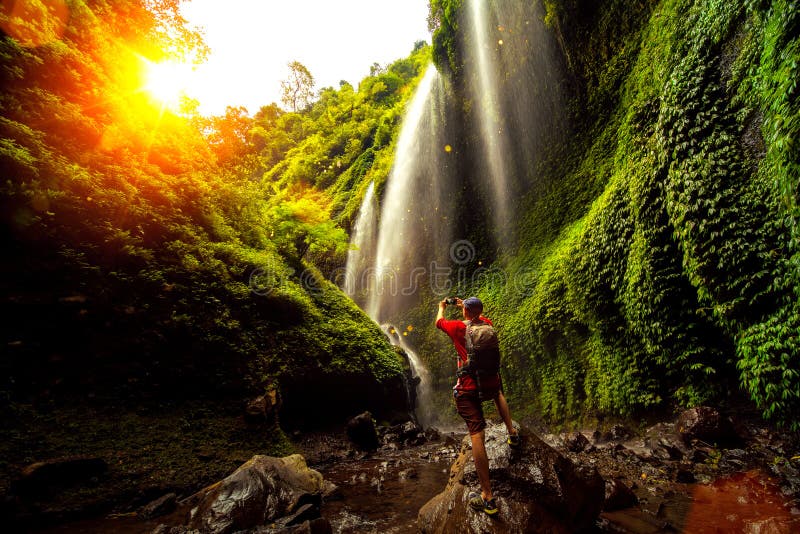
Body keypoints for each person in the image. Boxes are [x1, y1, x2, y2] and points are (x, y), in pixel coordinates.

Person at [435, 296, 520, 516]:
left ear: (464, 311)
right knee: (498, 392)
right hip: (490, 382)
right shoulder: (488, 324)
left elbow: (439, 322)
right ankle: (512, 433)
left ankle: (487, 497)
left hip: (469, 388)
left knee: (477, 433)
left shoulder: (457, 328)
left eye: (464, 308)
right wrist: (468, 305)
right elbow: (476, 316)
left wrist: (442, 307)